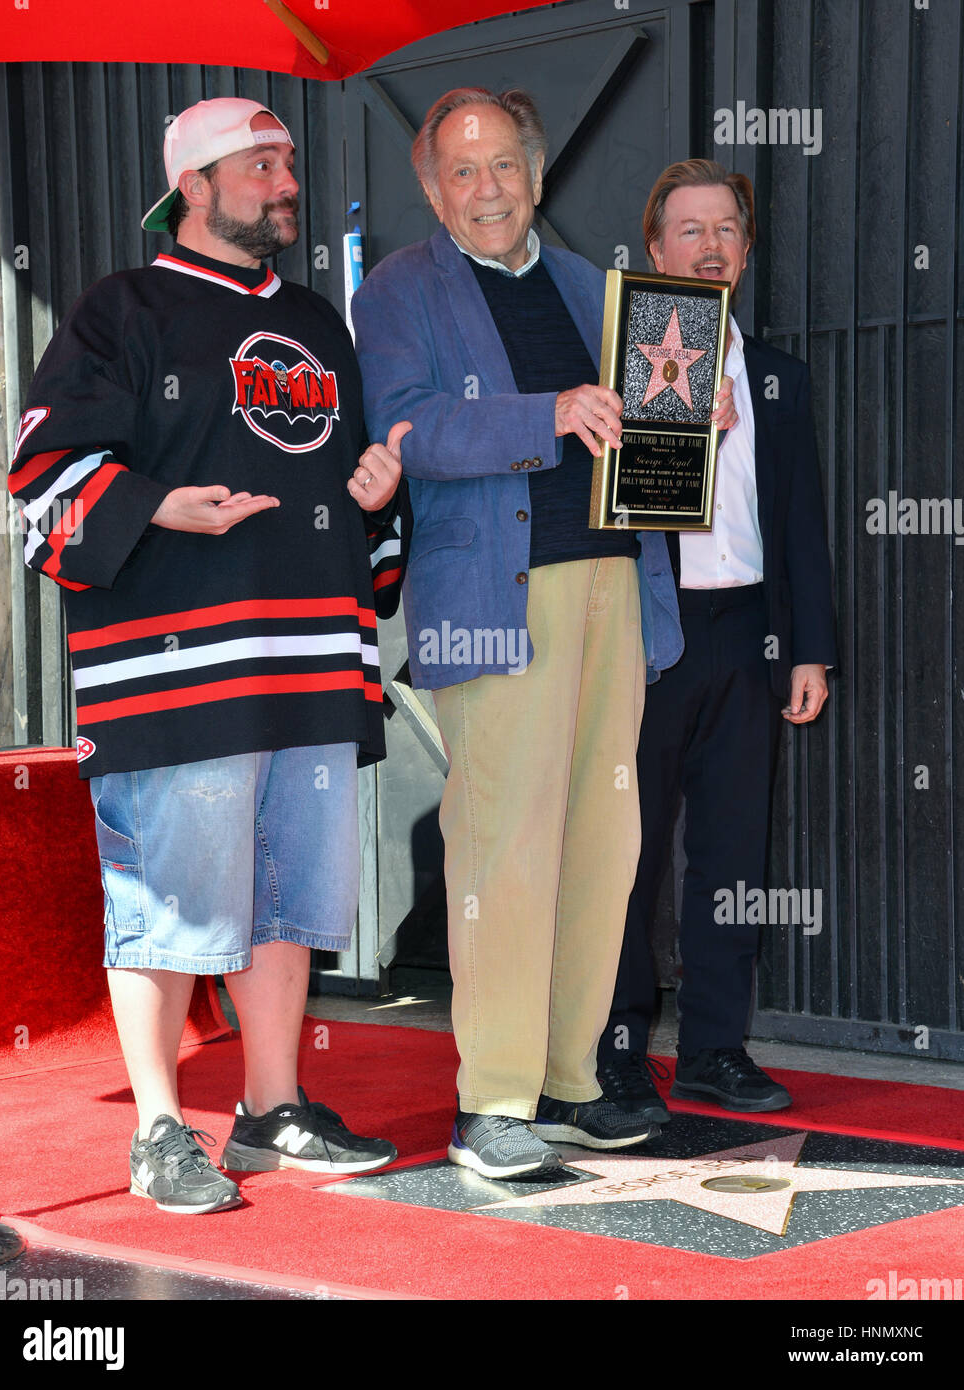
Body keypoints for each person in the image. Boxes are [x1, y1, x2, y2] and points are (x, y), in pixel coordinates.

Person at [8, 97, 409, 1213]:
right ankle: (156, 1128)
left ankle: (273, 1110)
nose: (287, 181)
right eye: (260, 164)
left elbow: (356, 500)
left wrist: (380, 497)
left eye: (288, 161)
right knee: (171, 903)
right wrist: (157, 506)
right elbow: (39, 480)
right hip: (176, 668)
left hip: (314, 664)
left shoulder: (323, 323)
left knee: (288, 899)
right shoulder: (115, 310)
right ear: (193, 185)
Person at [352, 89, 736, 1181]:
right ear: (432, 188)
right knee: (505, 848)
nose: (487, 189)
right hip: (491, 609)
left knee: (601, 847)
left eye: (503, 167)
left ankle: (571, 1079)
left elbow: (649, 442)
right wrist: (548, 413)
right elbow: (405, 427)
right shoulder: (397, 292)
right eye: (462, 171)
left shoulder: (599, 288)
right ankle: (494, 1101)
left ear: (536, 173)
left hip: (617, 589)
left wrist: (687, 420)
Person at [597, 160, 837, 1120]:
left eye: (725, 229)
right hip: (644, 632)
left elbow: (801, 523)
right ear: (655, 251)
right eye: (688, 230)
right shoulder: (620, 364)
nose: (707, 246)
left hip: (748, 635)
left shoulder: (781, 379)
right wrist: (682, 418)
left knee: (734, 854)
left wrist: (808, 645)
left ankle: (714, 1052)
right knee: (627, 852)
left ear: (745, 252)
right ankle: (612, 1048)